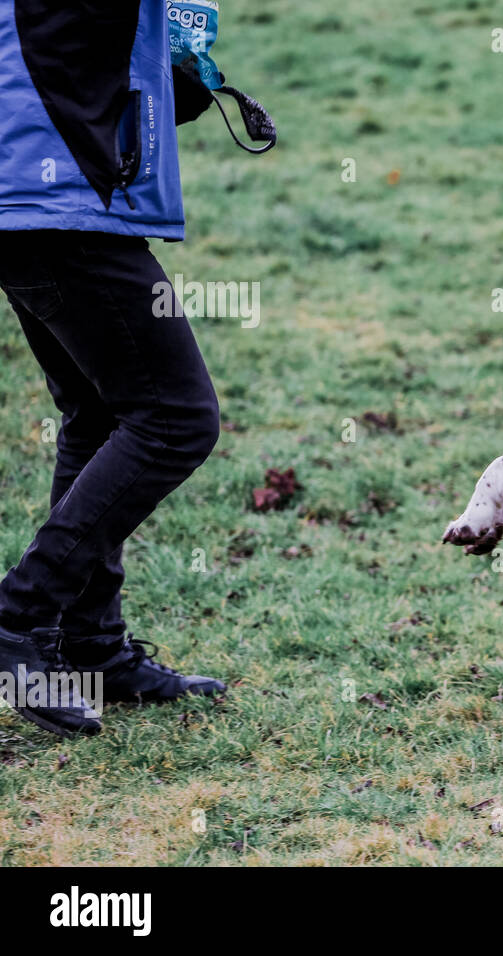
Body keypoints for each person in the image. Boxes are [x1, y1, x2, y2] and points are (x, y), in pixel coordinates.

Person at [0, 1, 228, 737]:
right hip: (56, 198)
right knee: (176, 418)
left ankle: (89, 646)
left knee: (101, 415)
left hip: (43, 191)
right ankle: (17, 618)